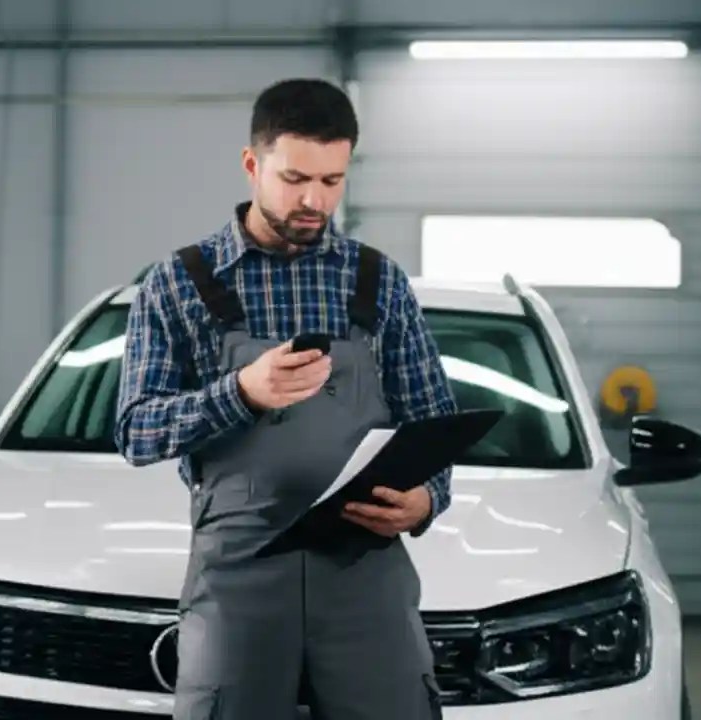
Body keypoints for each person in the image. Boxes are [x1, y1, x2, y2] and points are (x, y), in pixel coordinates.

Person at [114, 78, 457, 720]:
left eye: (331, 181)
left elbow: (434, 421)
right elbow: (136, 432)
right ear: (253, 164)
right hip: (237, 574)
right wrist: (240, 392)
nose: (313, 200)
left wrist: (425, 500)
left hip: (363, 568)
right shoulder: (178, 285)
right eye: (295, 178)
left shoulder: (379, 282)